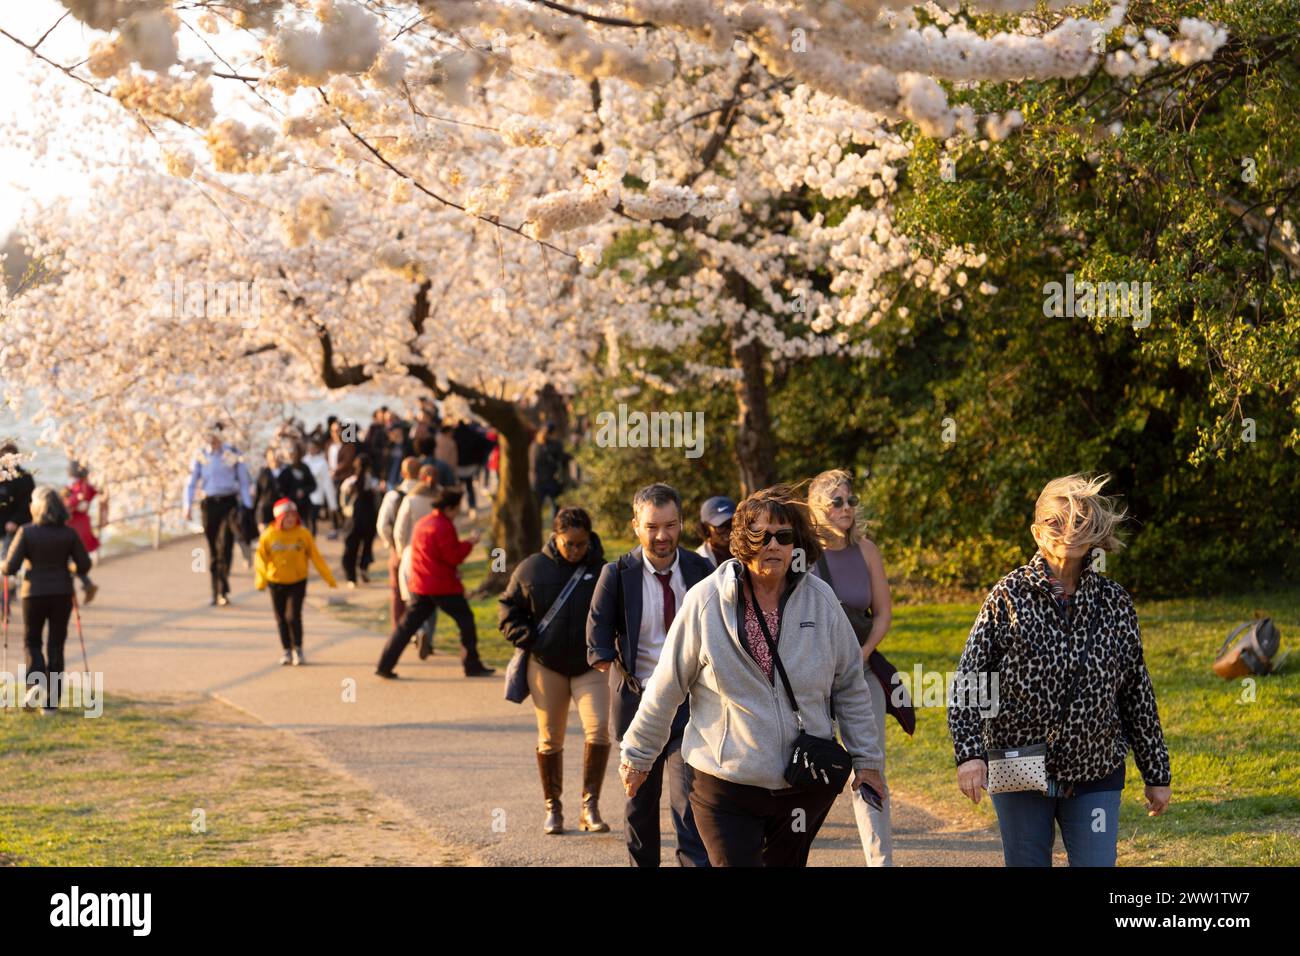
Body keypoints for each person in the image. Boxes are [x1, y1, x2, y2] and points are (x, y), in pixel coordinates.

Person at [619, 485, 886, 867]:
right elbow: (667, 684)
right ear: (742, 541)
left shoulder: (821, 600)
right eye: (760, 535)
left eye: (783, 536)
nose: (772, 545)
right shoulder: (707, 601)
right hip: (724, 783)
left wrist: (868, 761)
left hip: (802, 781)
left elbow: (849, 685)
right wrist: (638, 755)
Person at [948, 473, 1172, 867]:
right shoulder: (1008, 596)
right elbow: (970, 679)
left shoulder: (1114, 601)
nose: (1068, 529)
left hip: (1096, 767)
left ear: (1092, 532)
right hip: (1018, 765)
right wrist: (970, 755)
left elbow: (1136, 689)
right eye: (1056, 521)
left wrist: (1156, 773)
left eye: (1079, 520)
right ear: (1037, 533)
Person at [586, 483, 712, 867]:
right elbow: (597, 642)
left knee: (689, 803)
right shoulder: (616, 574)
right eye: (653, 526)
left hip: (691, 707)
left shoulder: (701, 570)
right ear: (636, 526)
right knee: (639, 805)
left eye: (671, 525)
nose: (662, 536)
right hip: (638, 707)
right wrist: (633, 681)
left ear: (681, 525)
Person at [499, 507, 609, 834]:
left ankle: (590, 806)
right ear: (555, 537)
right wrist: (528, 637)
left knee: (600, 729)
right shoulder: (531, 568)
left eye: (581, 544)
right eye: (568, 544)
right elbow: (507, 609)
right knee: (550, 737)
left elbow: (619, 614)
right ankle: (553, 807)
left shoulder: (604, 571)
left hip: (590, 666)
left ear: (589, 538)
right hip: (546, 665)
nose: (575, 550)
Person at [807, 469, 895, 866]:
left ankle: (881, 861)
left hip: (860, 672)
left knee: (870, 766)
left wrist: (862, 653)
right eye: (836, 501)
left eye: (850, 500)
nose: (846, 508)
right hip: (814, 676)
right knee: (805, 766)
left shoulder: (867, 550)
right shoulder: (805, 556)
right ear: (817, 509)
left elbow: (883, 615)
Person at [375, 487, 495, 678]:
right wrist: (470, 543)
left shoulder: (424, 523)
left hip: (422, 584)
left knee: (406, 627)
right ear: (449, 508)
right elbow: (453, 556)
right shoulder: (444, 526)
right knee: (466, 621)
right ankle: (471, 663)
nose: (457, 513)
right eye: (457, 509)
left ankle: (384, 664)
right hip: (442, 586)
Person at [2, 487, 94, 713]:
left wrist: (2, 565)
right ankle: (50, 704)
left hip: (33, 593)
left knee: (32, 641)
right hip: (62, 593)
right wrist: (70, 566)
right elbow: (84, 565)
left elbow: (11, 567)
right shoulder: (69, 533)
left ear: (37, 508)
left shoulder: (27, 532)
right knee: (56, 645)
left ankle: (37, 683)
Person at [254, 498, 338, 666]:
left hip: (298, 581)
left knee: (293, 616)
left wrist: (328, 577)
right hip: (276, 582)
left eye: (293, 515)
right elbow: (260, 559)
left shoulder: (303, 534)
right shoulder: (269, 535)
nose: (290, 519)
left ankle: (298, 648)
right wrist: (261, 580)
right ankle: (287, 650)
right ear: (279, 518)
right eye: (287, 516)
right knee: (281, 618)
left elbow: (316, 557)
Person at [183, 424, 254, 606]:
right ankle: (216, 591)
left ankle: (223, 589)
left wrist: (247, 506)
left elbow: (243, 481)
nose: (212, 439)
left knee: (226, 544)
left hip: (228, 503)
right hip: (209, 504)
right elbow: (191, 482)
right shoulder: (201, 455)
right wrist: (187, 506)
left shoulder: (230, 453)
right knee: (214, 548)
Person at [378, 459, 437, 656]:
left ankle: (402, 634)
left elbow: (385, 526)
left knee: (399, 594)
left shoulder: (396, 496)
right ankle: (427, 633)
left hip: (405, 551)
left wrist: (396, 548)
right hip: (431, 553)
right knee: (430, 595)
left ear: (403, 473)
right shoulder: (435, 495)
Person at [63, 461, 105, 595]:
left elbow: (71, 504)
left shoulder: (80, 487)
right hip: (82, 526)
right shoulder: (84, 486)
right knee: (74, 560)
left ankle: (78, 587)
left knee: (69, 559)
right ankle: (87, 584)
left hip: (75, 528)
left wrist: (66, 499)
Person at [339, 455, 380, 586]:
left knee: (351, 549)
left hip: (353, 521)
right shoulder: (373, 483)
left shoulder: (349, 483)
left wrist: (346, 513)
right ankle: (363, 568)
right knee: (366, 547)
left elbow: (343, 503)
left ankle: (351, 577)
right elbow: (377, 503)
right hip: (369, 520)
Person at [0, 444, 36, 575]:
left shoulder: (25, 477)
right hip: (2, 524)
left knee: (10, 559)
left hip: (19, 525)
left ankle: (9, 589)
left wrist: (15, 521)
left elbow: (29, 502)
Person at [529, 422, 569, 522]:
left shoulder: (534, 445)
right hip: (552, 480)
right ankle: (555, 529)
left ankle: (536, 531)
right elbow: (563, 458)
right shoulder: (555, 445)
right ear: (554, 432)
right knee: (556, 508)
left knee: (537, 509)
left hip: (537, 481)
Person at [302, 438, 337, 535]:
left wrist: (332, 503)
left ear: (317, 449)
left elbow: (327, 482)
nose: (312, 449)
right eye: (310, 448)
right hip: (304, 495)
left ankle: (311, 539)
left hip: (317, 495)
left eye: (314, 447)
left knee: (312, 519)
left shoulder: (322, 462)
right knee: (305, 520)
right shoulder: (303, 461)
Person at [694, 495, 735, 570]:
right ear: (705, 529)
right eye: (720, 526)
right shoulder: (697, 562)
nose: (728, 531)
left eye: (731, 524)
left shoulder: (752, 553)